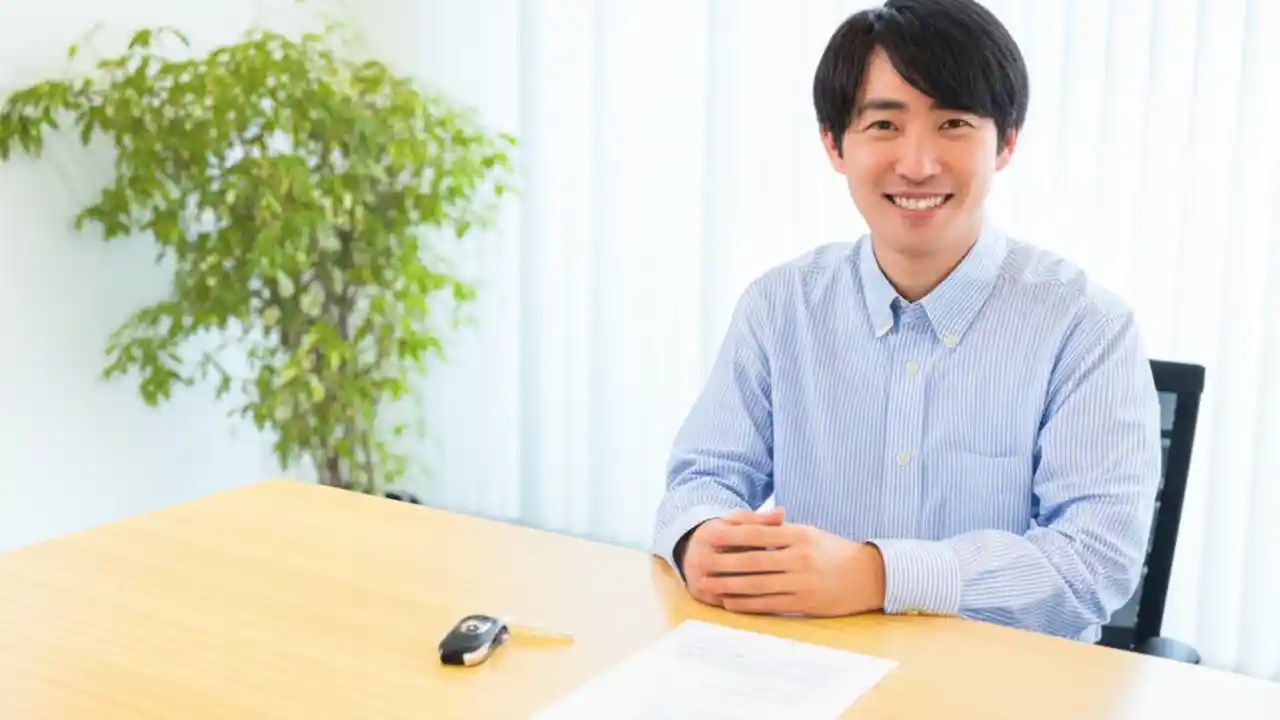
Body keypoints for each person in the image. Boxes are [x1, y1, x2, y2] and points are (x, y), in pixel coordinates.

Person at [651, 0, 1162, 644]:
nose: (918, 164)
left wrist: (878, 576)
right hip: (810, 665)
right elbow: (703, 478)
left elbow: (1095, 561)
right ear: (834, 144)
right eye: (884, 125)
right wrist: (700, 536)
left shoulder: (1087, 327)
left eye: (953, 123)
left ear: (1005, 142)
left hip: (1002, 678)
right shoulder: (781, 305)